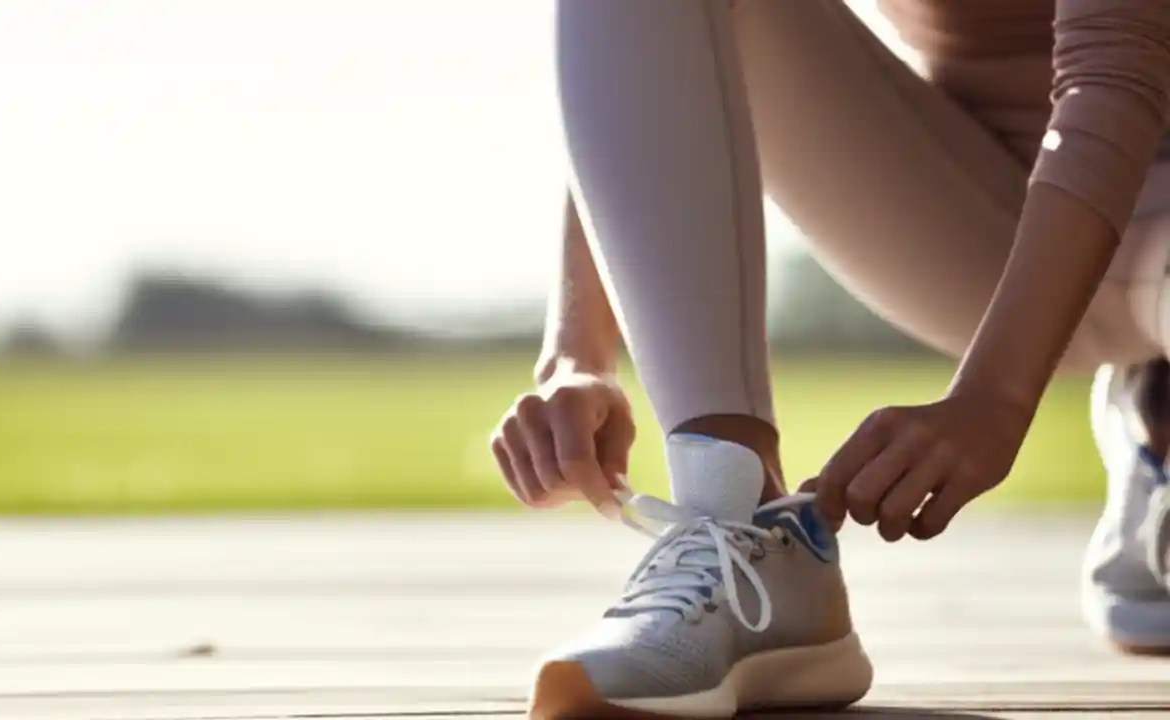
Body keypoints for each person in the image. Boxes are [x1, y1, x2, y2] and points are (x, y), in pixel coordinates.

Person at [489, 1, 1170, 717]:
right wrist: (577, 353)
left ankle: (1157, 411)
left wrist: (996, 394)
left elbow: (1115, 69)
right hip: (993, 205)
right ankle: (737, 524)